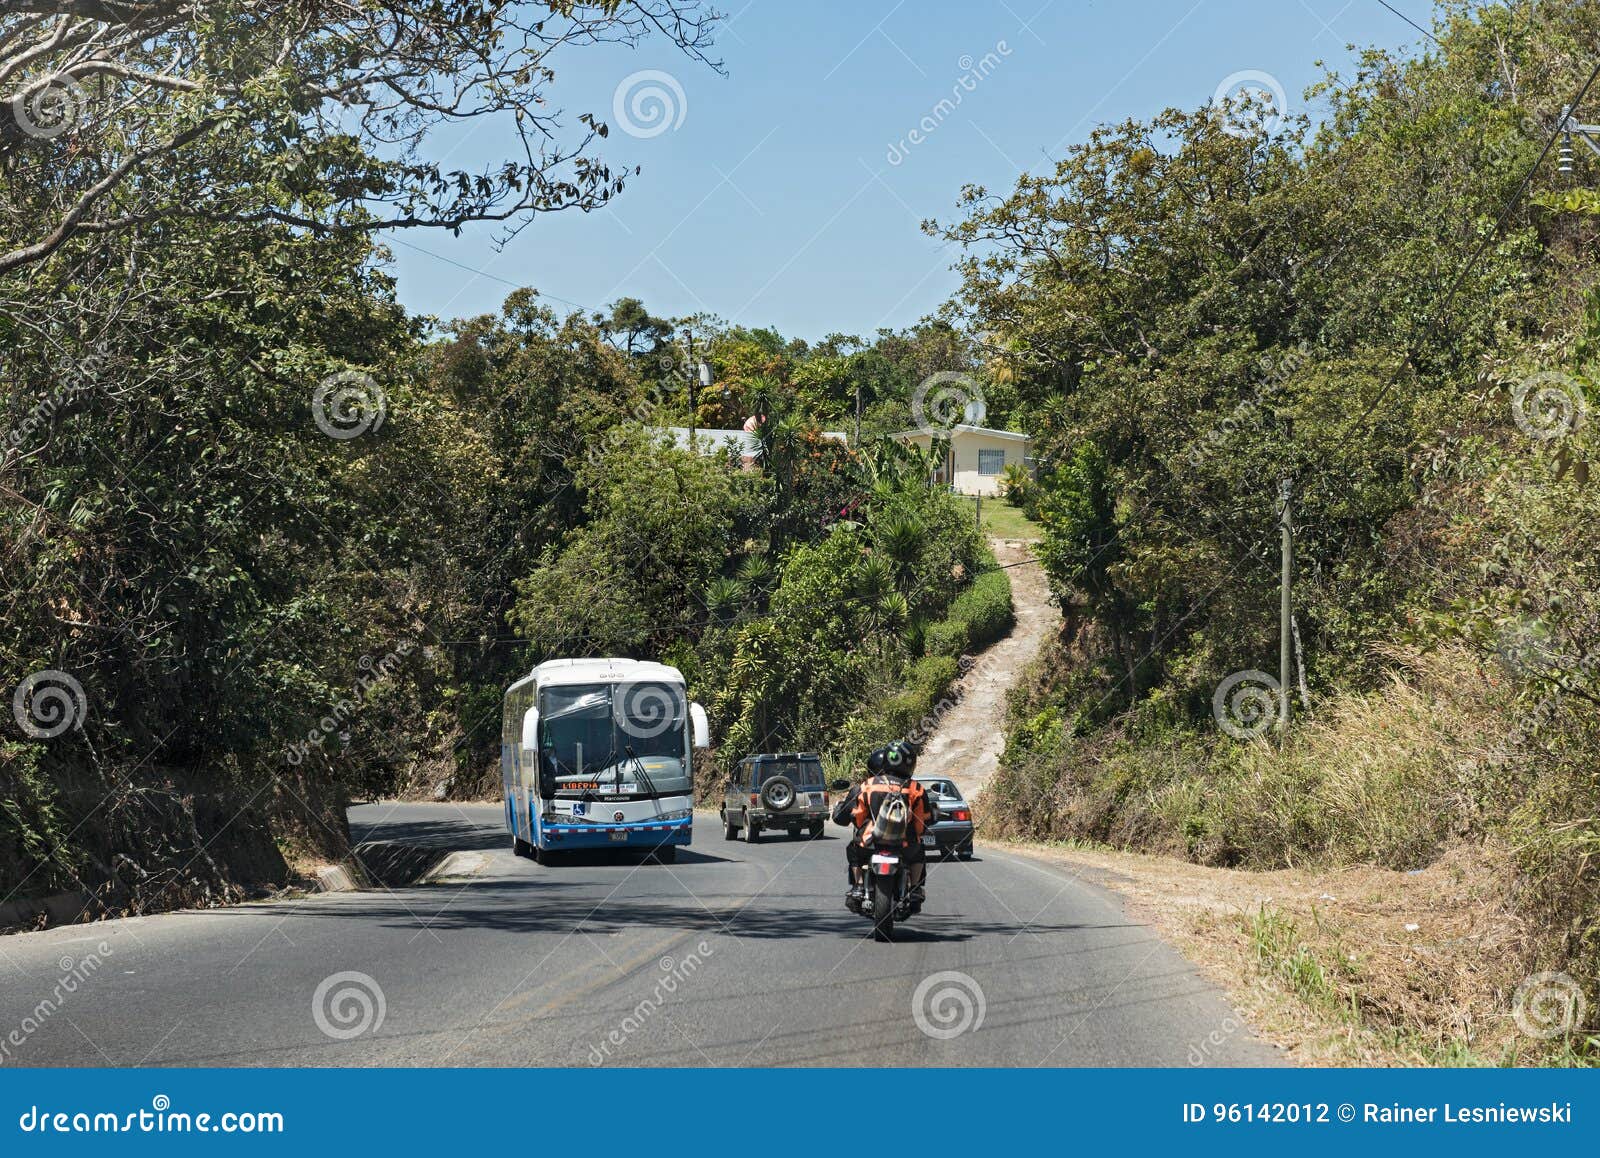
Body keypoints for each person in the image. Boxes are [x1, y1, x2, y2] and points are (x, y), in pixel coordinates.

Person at [835, 739, 932, 911]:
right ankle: (915, 888)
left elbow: (857, 817)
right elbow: (921, 823)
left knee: (853, 850)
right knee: (919, 852)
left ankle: (858, 886)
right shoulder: (916, 788)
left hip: (871, 841)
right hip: (906, 844)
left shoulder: (868, 785)